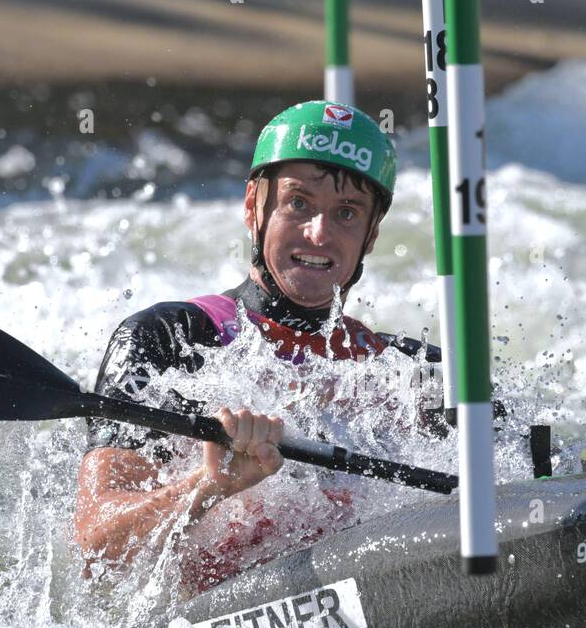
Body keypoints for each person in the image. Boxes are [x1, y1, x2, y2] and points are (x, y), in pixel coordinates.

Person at [74, 101, 435, 596]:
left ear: (371, 236)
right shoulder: (168, 340)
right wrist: (208, 486)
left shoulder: (408, 372)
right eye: (298, 203)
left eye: (346, 213)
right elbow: (95, 546)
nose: (319, 233)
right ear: (253, 206)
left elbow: (540, 480)